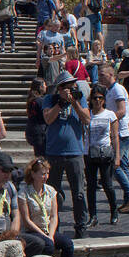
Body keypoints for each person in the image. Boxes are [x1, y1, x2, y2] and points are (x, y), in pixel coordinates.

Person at [41, 71, 90, 239]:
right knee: (53, 193)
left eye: (73, 86)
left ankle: (81, 227)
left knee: (78, 193)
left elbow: (86, 119)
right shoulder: (50, 100)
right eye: (67, 87)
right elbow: (48, 119)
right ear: (60, 88)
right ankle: (55, 227)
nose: (71, 89)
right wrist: (61, 103)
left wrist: (74, 103)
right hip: (54, 152)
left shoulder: (79, 97)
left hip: (75, 152)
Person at [17, 156, 75, 257]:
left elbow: (54, 216)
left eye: (47, 173)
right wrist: (45, 236)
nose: (46, 177)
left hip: (48, 230)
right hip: (32, 231)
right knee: (47, 245)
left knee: (68, 244)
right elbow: (27, 220)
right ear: (33, 174)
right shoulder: (24, 193)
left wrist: (51, 235)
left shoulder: (50, 190)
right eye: (42, 174)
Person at [99, 62, 129, 214]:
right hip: (121, 132)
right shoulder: (110, 90)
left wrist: (105, 120)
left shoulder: (117, 90)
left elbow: (121, 111)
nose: (100, 78)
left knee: (114, 165)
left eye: (102, 75)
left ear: (111, 75)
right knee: (123, 166)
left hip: (121, 133)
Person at [82, 86, 120, 227]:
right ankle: (93, 215)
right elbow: (82, 134)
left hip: (105, 152)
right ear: (91, 100)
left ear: (104, 100)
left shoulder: (110, 114)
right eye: (95, 98)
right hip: (89, 153)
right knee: (91, 186)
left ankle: (114, 211)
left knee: (107, 184)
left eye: (100, 98)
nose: (97, 101)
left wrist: (117, 156)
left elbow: (115, 136)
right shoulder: (87, 114)